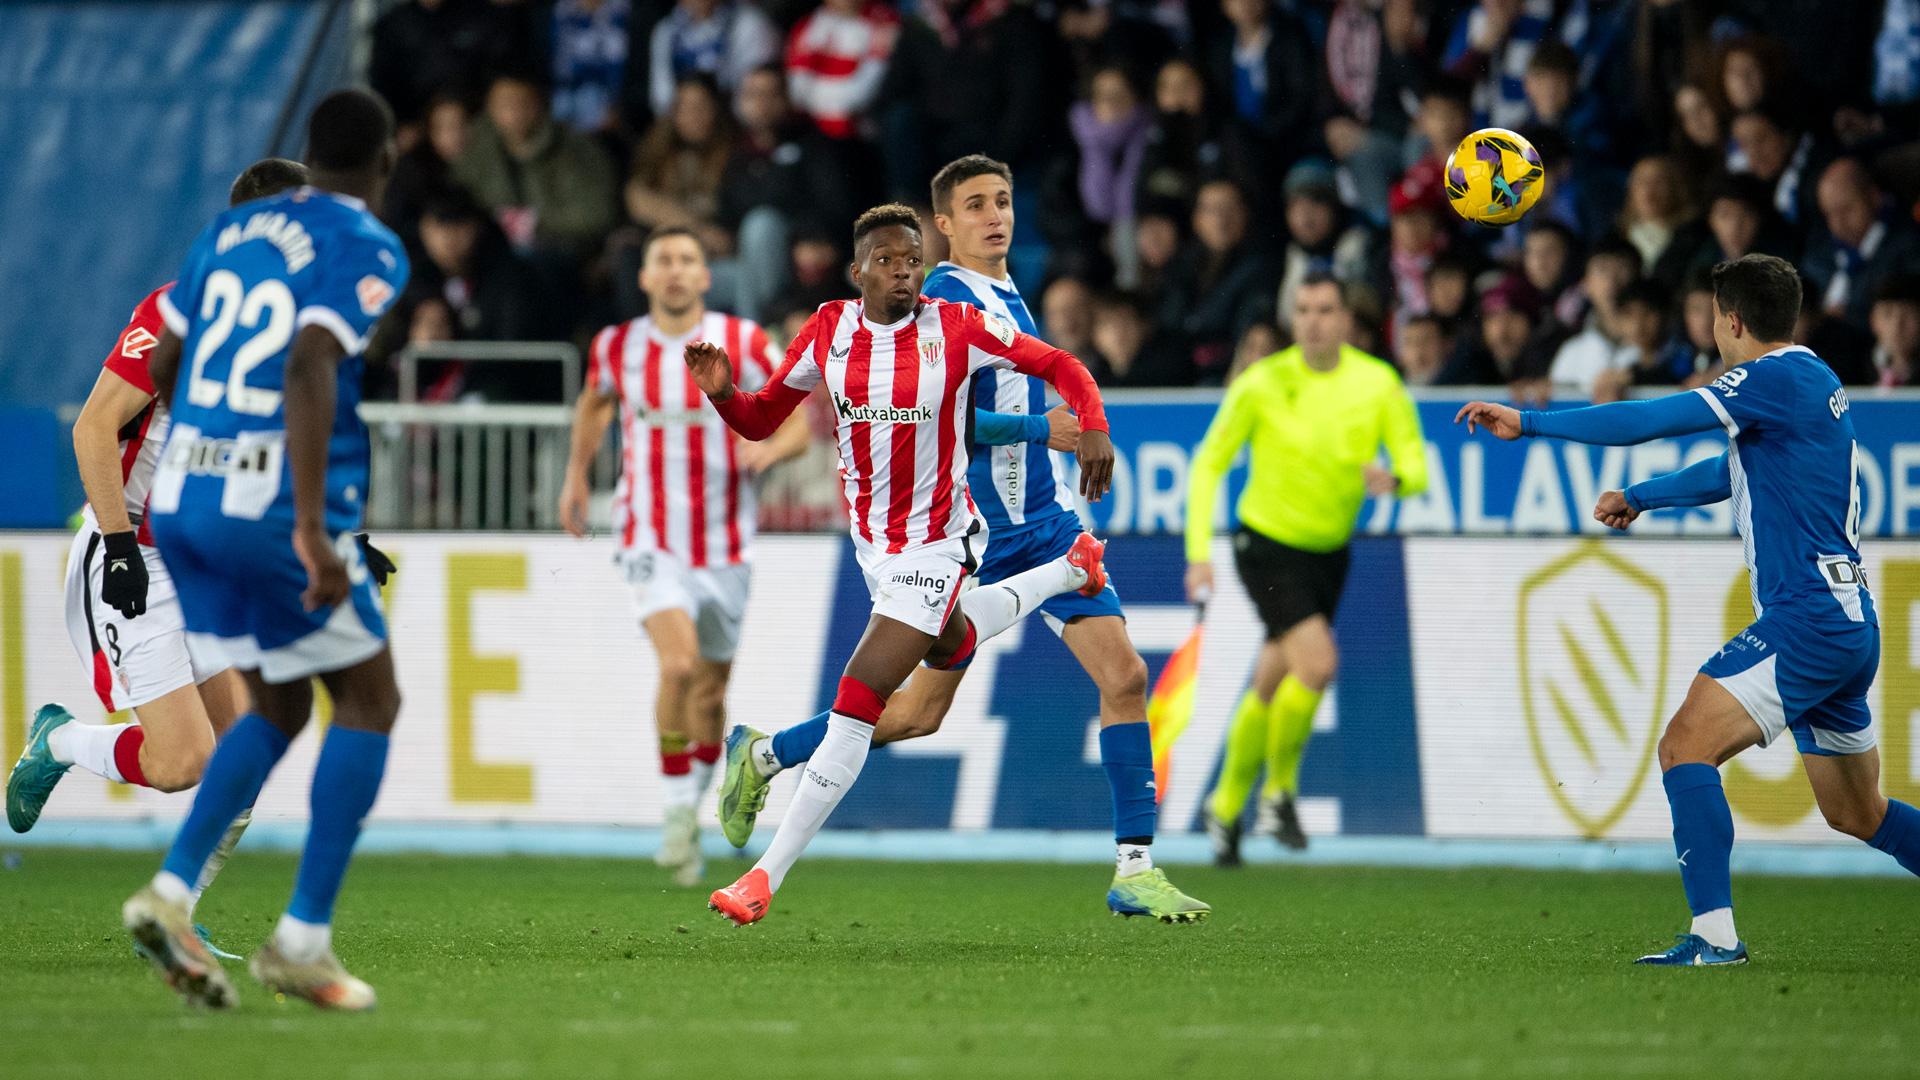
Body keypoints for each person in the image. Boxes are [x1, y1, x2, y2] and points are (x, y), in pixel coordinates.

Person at [714, 158, 1209, 920]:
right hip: (971, 527)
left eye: (1005, 202)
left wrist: (1079, 427)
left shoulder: (1004, 295)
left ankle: (1135, 868)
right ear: (943, 224)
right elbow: (956, 422)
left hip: (1042, 520)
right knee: (913, 713)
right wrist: (1042, 428)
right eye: (975, 206)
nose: (994, 217)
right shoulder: (937, 296)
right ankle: (769, 754)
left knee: (1126, 678)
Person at [1455, 254, 1920, 966]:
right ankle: (1714, 934)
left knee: (1683, 745)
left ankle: (1714, 937)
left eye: (1711, 314)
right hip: (1848, 622)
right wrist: (1643, 496)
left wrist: (1532, 422)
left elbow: (1653, 416)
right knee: (1858, 812)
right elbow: (1727, 470)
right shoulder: (1810, 379)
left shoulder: (1770, 378)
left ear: (1730, 321)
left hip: (1808, 620)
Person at [120, 89, 411, 1010]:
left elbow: (164, 371)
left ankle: (170, 894)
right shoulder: (366, 243)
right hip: (268, 502)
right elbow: (311, 362)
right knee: (371, 694)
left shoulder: (229, 234)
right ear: (386, 161)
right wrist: (318, 530)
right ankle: (302, 938)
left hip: (181, 501)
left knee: (281, 702)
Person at [6, 161, 313, 951]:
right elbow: (92, 428)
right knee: (182, 762)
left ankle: (174, 918)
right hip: (132, 552)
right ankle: (61, 741)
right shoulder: (179, 312)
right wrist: (115, 546)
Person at [557, 227, 809, 886]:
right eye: (662, 261)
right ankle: (675, 815)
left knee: (710, 691)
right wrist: (577, 476)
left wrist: (771, 450)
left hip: (727, 543)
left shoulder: (747, 341)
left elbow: (800, 418)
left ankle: (691, 804)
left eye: (687, 261)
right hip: (648, 534)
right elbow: (593, 405)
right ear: (644, 278)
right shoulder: (617, 346)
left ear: (707, 276)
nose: (674, 271)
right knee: (677, 664)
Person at [1189, 274, 1428, 863]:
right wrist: (1199, 553)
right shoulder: (1262, 382)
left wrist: (1394, 480)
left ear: (1347, 319)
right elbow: (1207, 465)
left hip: (1330, 552)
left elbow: (1418, 465)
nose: (1314, 320)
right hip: (1265, 545)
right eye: (1303, 309)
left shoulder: (1378, 383)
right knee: (1318, 665)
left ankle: (1222, 809)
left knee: (1272, 679)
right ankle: (1278, 794)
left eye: (1326, 309)